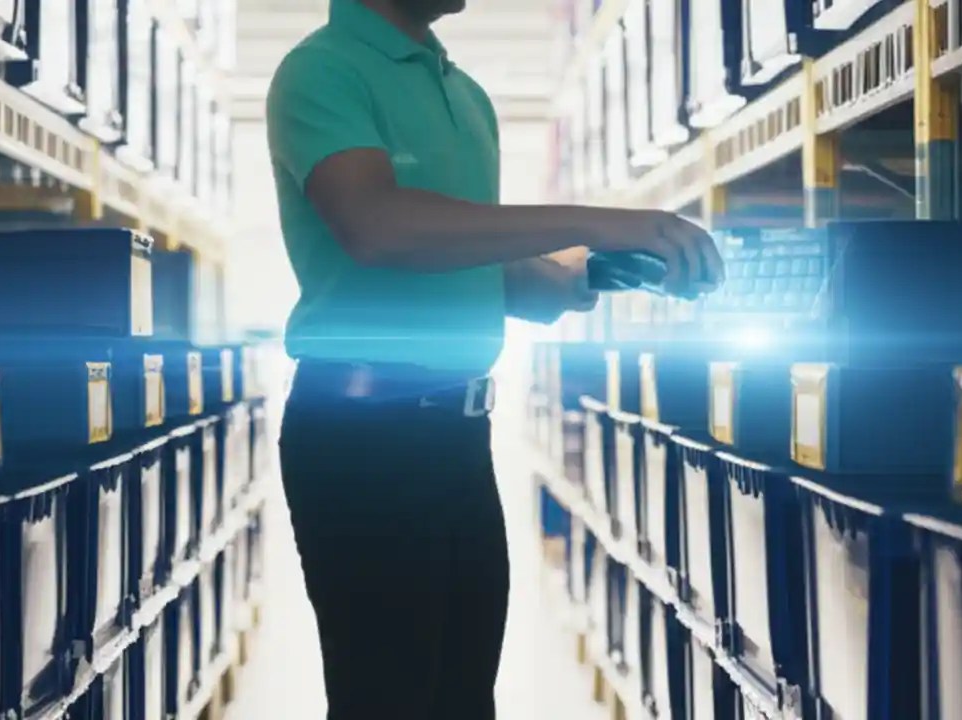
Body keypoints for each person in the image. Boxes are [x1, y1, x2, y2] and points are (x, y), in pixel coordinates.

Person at [266, 0, 724, 717]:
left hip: (456, 437)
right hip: (361, 439)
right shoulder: (322, 70)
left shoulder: (463, 92)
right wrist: (592, 215)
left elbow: (467, 262)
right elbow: (378, 227)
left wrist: (591, 270)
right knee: (386, 698)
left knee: (461, 699)